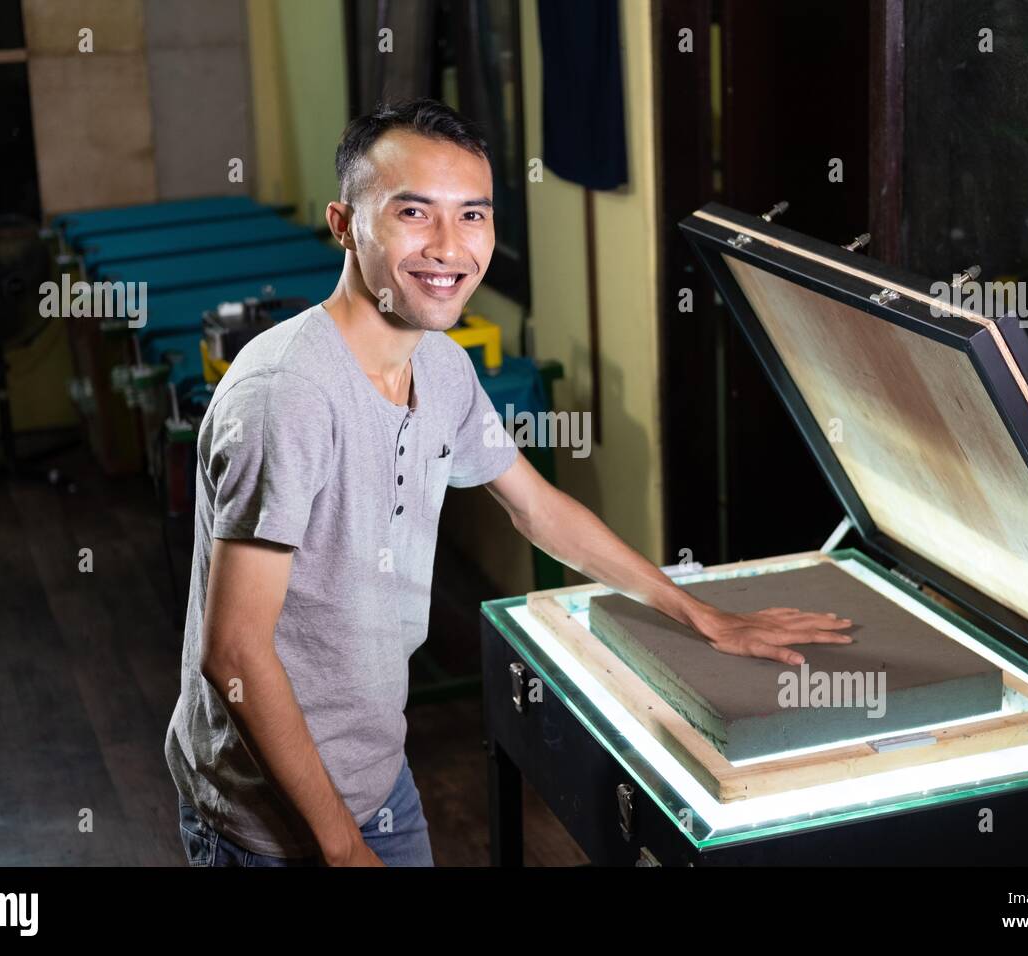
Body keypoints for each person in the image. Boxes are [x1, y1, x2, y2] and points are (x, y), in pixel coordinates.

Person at [165, 98, 853, 867]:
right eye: (415, 214)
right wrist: (340, 849)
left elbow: (538, 509)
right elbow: (232, 650)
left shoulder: (442, 364)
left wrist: (699, 614)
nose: (449, 247)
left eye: (474, 217)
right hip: (268, 821)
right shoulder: (287, 394)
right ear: (344, 223)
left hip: (375, 783)